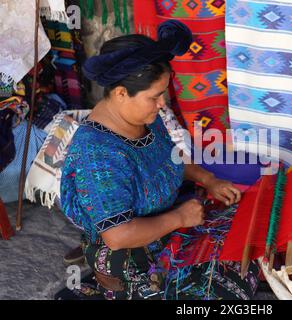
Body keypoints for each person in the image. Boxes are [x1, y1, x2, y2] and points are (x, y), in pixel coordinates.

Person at [58, 20, 260, 300]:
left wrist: (209, 180)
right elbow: (117, 236)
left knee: (248, 231)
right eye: (154, 97)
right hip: (128, 253)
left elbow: (169, 158)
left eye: (162, 94)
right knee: (224, 292)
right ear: (120, 94)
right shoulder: (98, 155)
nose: (162, 104)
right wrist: (179, 217)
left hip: (164, 220)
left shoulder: (145, 118)